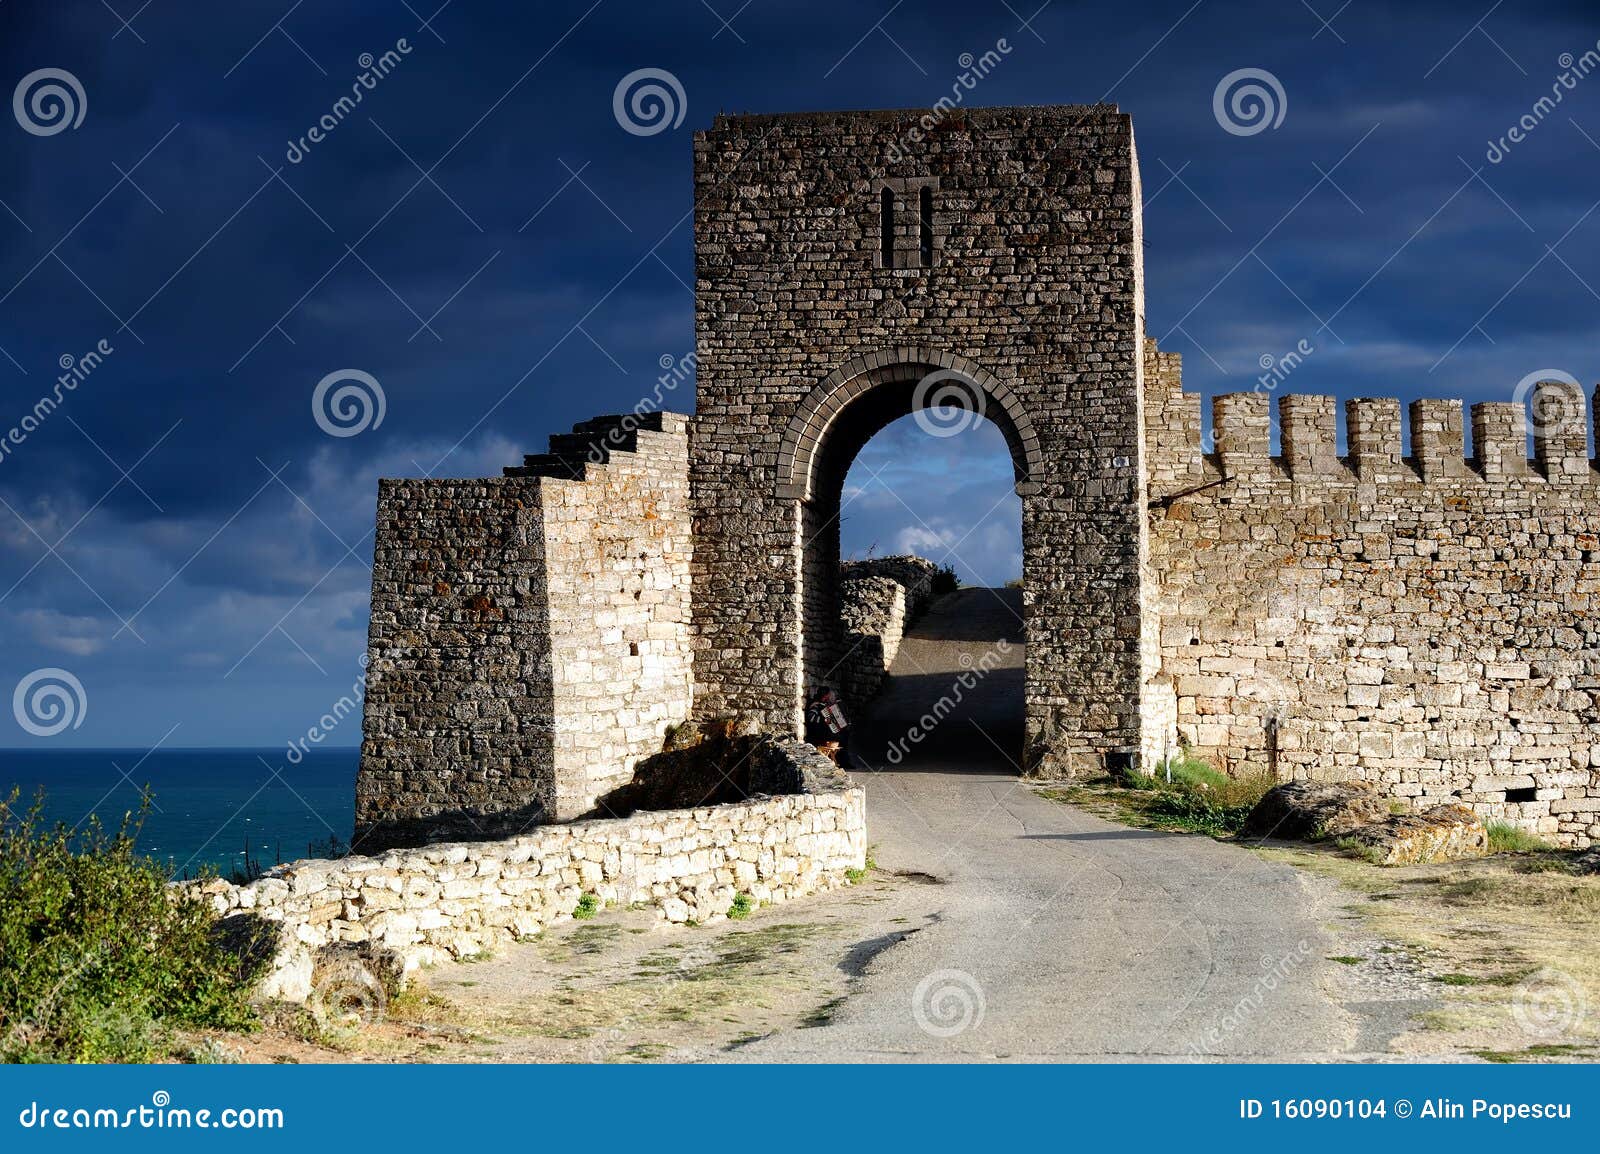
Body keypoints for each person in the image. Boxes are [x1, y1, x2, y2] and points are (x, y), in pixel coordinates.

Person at [804, 687, 852, 767]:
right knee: (842, 737)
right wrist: (824, 720)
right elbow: (811, 719)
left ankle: (844, 760)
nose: (833, 698)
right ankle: (843, 761)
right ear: (826, 696)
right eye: (831, 696)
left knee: (845, 733)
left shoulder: (828, 706)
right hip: (819, 734)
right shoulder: (816, 705)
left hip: (826, 732)